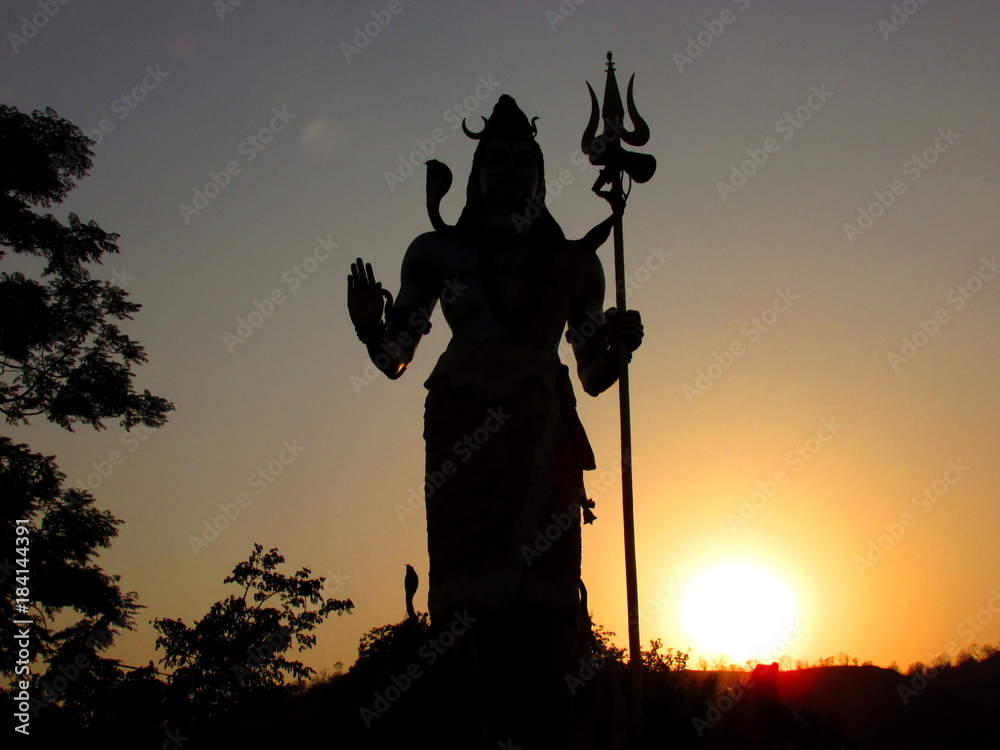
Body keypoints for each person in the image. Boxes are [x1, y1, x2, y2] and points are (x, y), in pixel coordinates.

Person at [347, 94, 642, 745]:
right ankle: (476, 726)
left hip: (540, 427)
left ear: (540, 178)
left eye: (522, 162)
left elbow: (594, 375)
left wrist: (618, 344)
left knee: (548, 595)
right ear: (477, 176)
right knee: (465, 599)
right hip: (461, 425)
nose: (509, 171)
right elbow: (398, 355)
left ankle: (552, 723)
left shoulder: (575, 264)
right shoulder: (436, 254)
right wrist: (370, 325)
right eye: (496, 161)